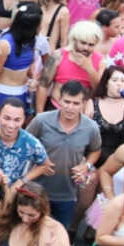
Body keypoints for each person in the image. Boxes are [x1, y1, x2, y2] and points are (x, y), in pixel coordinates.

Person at [24, 80, 101, 227]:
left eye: (76, 103)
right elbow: (24, 143)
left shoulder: (91, 128)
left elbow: (95, 150)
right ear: (59, 100)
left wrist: (87, 166)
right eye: (67, 101)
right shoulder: (41, 120)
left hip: (67, 194)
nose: (70, 107)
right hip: (36, 190)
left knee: (58, 237)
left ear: (84, 104)